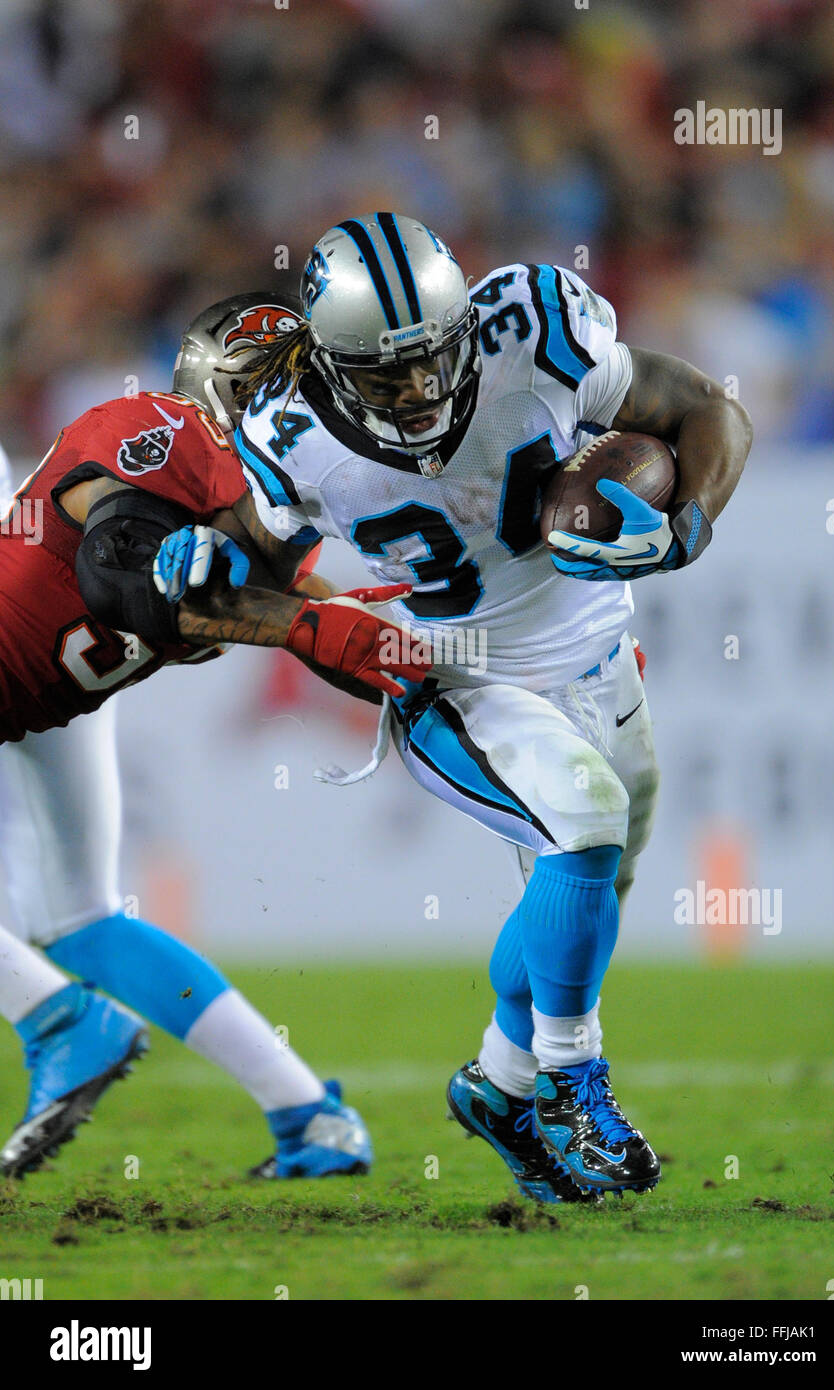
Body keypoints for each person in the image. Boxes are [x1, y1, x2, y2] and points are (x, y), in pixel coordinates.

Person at [157, 214, 752, 1202]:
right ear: (330, 365)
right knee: (586, 824)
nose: (422, 389)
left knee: (588, 878)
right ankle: (569, 1082)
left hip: (600, 657)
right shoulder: (289, 431)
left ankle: (501, 1081)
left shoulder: (529, 324)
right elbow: (247, 564)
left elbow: (704, 410)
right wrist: (208, 561)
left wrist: (683, 524)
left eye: (432, 358)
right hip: (455, 675)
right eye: (388, 376)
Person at [0, 294, 429, 1180]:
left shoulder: (280, 521)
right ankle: (301, 1112)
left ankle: (293, 1110)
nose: (304, 409)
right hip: (29, 662)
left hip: (37, 693)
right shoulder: (161, 433)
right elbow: (123, 571)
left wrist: (498, 674)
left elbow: (351, 636)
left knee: (76, 912)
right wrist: (309, 626)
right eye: (280, 391)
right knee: (73, 914)